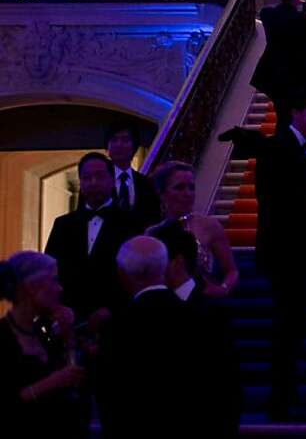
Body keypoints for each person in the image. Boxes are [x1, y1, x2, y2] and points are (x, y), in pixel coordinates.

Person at [253, 91, 306, 422]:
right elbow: (269, 199)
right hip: (286, 255)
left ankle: (287, 398)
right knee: (286, 330)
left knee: (294, 330)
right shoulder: (276, 147)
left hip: (305, 254)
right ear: (295, 112)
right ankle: (281, 402)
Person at [99, 236, 223, 438]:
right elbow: (226, 391)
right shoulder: (208, 318)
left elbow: (112, 398)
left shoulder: (118, 326)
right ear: (164, 267)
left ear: (122, 273)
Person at [147, 221, 242, 434]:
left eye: (155, 262)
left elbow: (227, 386)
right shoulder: (152, 307)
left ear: (176, 262)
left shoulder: (213, 315)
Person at [0, 251, 89, 438]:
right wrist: (50, 383)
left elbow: (73, 390)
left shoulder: (44, 335)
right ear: (32, 287)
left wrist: (69, 338)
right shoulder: (3, 337)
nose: (60, 289)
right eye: (54, 280)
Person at [44, 152, 138, 325]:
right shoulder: (63, 225)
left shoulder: (131, 224)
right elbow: (49, 270)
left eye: (100, 176)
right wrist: (57, 309)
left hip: (116, 323)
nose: (94, 182)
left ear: (112, 181)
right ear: (81, 183)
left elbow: (137, 275)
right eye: (87, 177)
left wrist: (112, 309)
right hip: (69, 323)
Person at [147, 161, 238, 298]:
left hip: (202, 302)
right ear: (162, 194)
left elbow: (231, 271)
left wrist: (223, 288)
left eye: (191, 187)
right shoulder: (152, 233)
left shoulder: (209, 226)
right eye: (179, 188)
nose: (188, 193)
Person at [250, 0, 306, 130]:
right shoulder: (304, 19)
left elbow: (270, 12)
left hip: (275, 77)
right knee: (294, 119)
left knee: (282, 116)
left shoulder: (268, 15)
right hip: (299, 77)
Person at [104, 121, 160, 231]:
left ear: (134, 145)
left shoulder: (146, 184)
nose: (119, 144)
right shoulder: (98, 181)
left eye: (125, 140)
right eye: (114, 140)